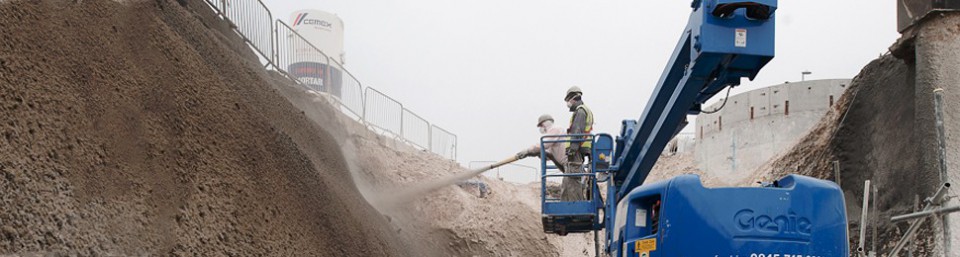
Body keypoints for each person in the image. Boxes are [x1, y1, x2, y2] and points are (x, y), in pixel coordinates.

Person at [515, 114, 584, 201]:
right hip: (568, 166)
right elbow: (548, 153)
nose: (540, 129)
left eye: (540, 126)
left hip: (571, 165)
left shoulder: (556, 130)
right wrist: (533, 153)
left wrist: (528, 150)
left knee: (571, 190)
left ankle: (575, 211)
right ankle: (569, 211)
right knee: (567, 191)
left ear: (544, 124)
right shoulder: (554, 137)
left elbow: (543, 144)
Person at [564, 86, 593, 199]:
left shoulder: (580, 111)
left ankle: (576, 205)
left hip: (576, 150)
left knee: (573, 181)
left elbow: (577, 131)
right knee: (569, 179)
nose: (567, 103)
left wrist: (572, 149)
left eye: (567, 100)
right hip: (580, 148)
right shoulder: (584, 110)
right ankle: (566, 204)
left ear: (573, 98)